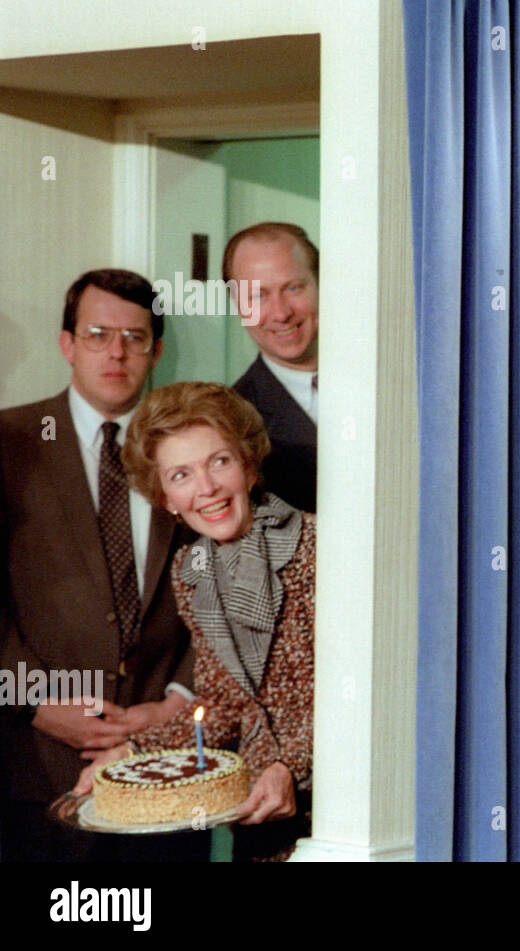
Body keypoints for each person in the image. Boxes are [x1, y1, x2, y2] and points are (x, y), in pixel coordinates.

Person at [0, 269, 199, 861]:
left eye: (135, 338)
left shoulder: (193, 450)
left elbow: (221, 584)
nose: (117, 352)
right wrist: (36, 701)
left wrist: (177, 699)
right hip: (36, 773)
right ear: (67, 344)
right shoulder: (9, 442)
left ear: (156, 350)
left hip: (166, 772)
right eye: (97, 334)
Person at [76, 382, 314, 862]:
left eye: (219, 461)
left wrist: (291, 765)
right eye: (181, 475)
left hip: (336, 805)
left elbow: (364, 690)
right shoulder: (194, 573)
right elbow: (224, 705)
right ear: (165, 498)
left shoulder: (316, 546)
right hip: (259, 819)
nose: (206, 488)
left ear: (248, 466)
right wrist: (135, 751)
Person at [224, 222, 319, 513]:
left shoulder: (387, 381)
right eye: (257, 296)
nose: (281, 313)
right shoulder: (230, 420)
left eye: (293, 287)